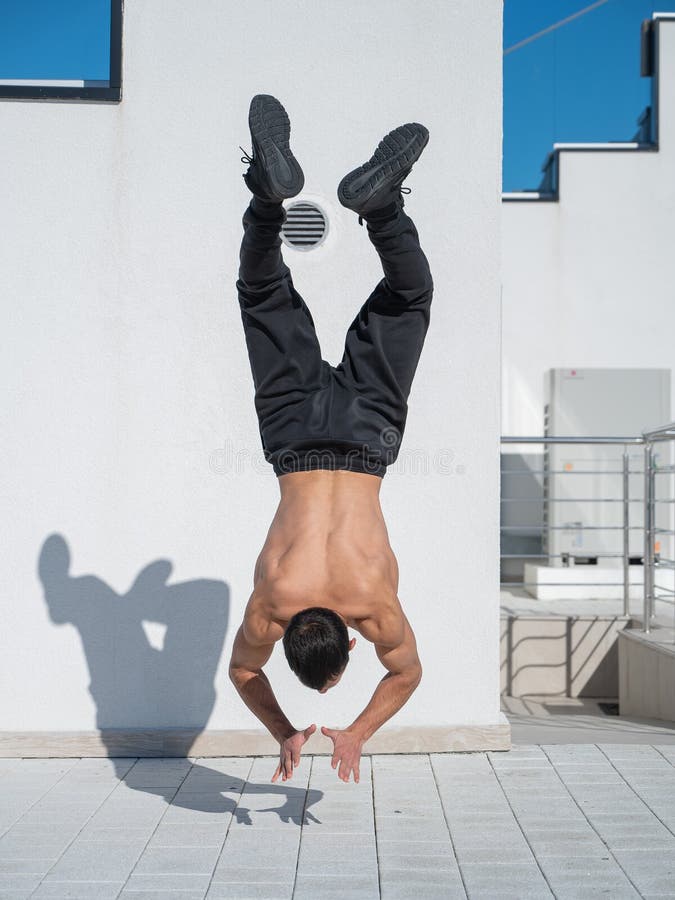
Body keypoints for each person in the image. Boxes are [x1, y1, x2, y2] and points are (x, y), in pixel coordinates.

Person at [228, 94, 433, 784]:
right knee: (262, 296)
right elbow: (241, 669)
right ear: (291, 636)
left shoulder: (372, 604)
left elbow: (406, 672)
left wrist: (353, 733)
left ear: (349, 639)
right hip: (291, 438)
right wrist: (285, 727)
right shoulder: (271, 606)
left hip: (368, 440)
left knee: (406, 299)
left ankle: (382, 210)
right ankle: (268, 198)